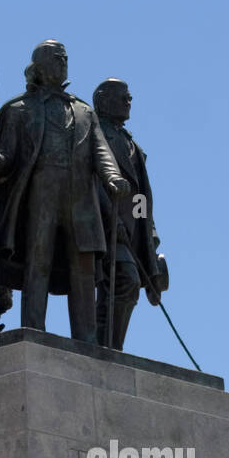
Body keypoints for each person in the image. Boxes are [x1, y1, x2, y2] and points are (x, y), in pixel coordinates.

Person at [0, 41, 128, 342]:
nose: (62, 61)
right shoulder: (18, 110)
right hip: (40, 193)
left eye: (64, 57)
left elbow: (101, 152)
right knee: (38, 262)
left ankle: (86, 339)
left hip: (80, 197)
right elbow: (7, 157)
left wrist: (113, 178)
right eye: (55, 58)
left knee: (83, 268)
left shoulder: (84, 111)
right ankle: (34, 330)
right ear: (38, 68)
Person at [92, 79, 168, 351]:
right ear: (101, 100)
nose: (129, 102)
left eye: (130, 97)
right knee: (124, 280)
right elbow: (92, 179)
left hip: (133, 230)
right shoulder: (94, 132)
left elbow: (142, 195)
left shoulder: (131, 143)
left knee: (124, 287)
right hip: (103, 224)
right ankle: (106, 347)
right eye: (122, 97)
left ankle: (110, 347)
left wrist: (151, 234)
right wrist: (110, 218)